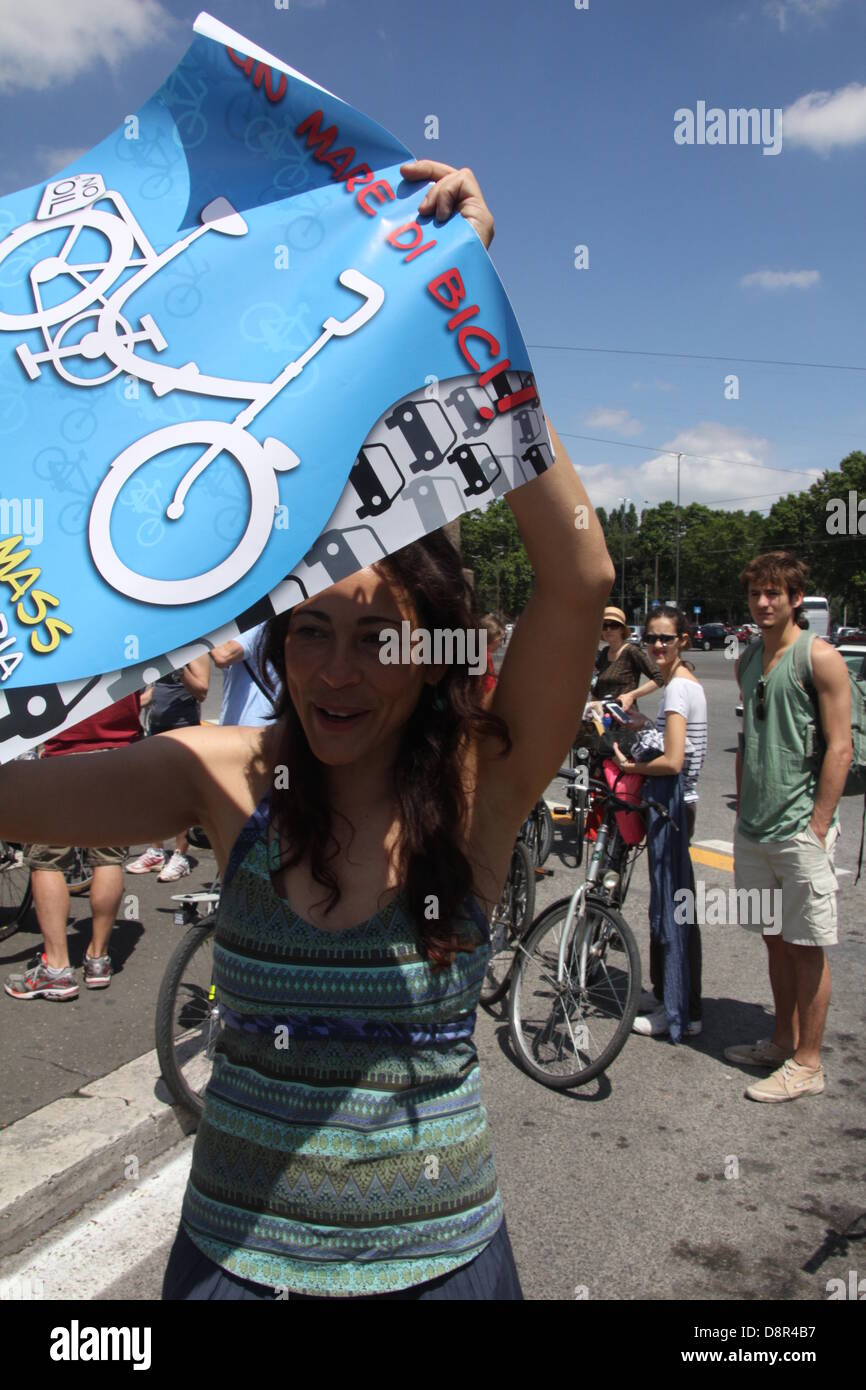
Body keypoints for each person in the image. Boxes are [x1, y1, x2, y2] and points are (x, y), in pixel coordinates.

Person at [0, 158, 615, 1300]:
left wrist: (462, 298)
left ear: (431, 650)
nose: (335, 670)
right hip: (234, 1269)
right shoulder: (220, 777)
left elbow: (576, 576)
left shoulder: (485, 786)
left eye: (376, 635)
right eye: (308, 630)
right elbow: (15, 798)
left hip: (442, 1272)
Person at [724, 553, 851, 1102]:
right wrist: (741, 811)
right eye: (757, 593)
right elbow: (749, 740)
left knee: (806, 945)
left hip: (800, 829)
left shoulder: (819, 657)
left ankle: (809, 1062)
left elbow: (840, 747)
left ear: (796, 598)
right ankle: (781, 1041)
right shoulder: (747, 658)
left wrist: (818, 826)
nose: (764, 602)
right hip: (754, 828)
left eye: (775, 593)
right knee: (775, 942)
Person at [4, 694, 143, 1000]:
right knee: (108, 857)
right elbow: (143, 694)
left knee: (47, 860)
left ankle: (56, 968)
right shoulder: (123, 643)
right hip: (119, 754)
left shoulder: (63, 643)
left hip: (64, 756)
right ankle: (98, 959)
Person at [612, 605, 707, 1038]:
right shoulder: (685, 685)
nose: (656, 646)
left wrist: (632, 768)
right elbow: (676, 742)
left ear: (683, 640)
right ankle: (677, 996)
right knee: (674, 906)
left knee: (670, 910)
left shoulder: (676, 691)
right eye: (650, 638)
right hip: (678, 807)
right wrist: (643, 723)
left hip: (672, 809)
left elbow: (671, 762)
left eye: (666, 639)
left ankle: (676, 1012)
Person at [127, 656, 210, 881]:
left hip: (182, 729)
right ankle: (156, 851)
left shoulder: (194, 650)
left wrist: (179, 671)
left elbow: (202, 690)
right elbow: (154, 694)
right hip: (156, 727)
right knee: (156, 795)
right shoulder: (160, 650)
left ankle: (180, 854)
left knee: (180, 796)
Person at [592, 606, 661, 710]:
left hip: (625, 716)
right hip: (603, 717)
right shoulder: (604, 652)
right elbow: (598, 686)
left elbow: (659, 678)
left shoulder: (631, 651)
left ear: (621, 629)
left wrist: (632, 695)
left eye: (614, 625)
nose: (608, 629)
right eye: (604, 626)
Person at [211, 622, 277, 727]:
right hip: (243, 725)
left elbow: (223, 654)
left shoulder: (255, 622)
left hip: (254, 727)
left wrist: (200, 624)